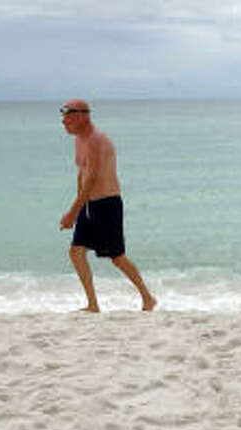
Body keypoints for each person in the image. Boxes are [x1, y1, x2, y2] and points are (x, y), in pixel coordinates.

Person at [59, 99, 157, 313]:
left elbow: (92, 179)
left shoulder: (96, 141)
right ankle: (92, 304)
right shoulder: (79, 140)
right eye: (63, 117)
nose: (64, 121)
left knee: (117, 257)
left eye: (68, 117)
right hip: (88, 203)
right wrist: (78, 206)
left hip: (107, 204)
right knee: (76, 251)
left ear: (82, 116)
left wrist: (72, 213)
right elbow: (82, 174)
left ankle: (148, 298)